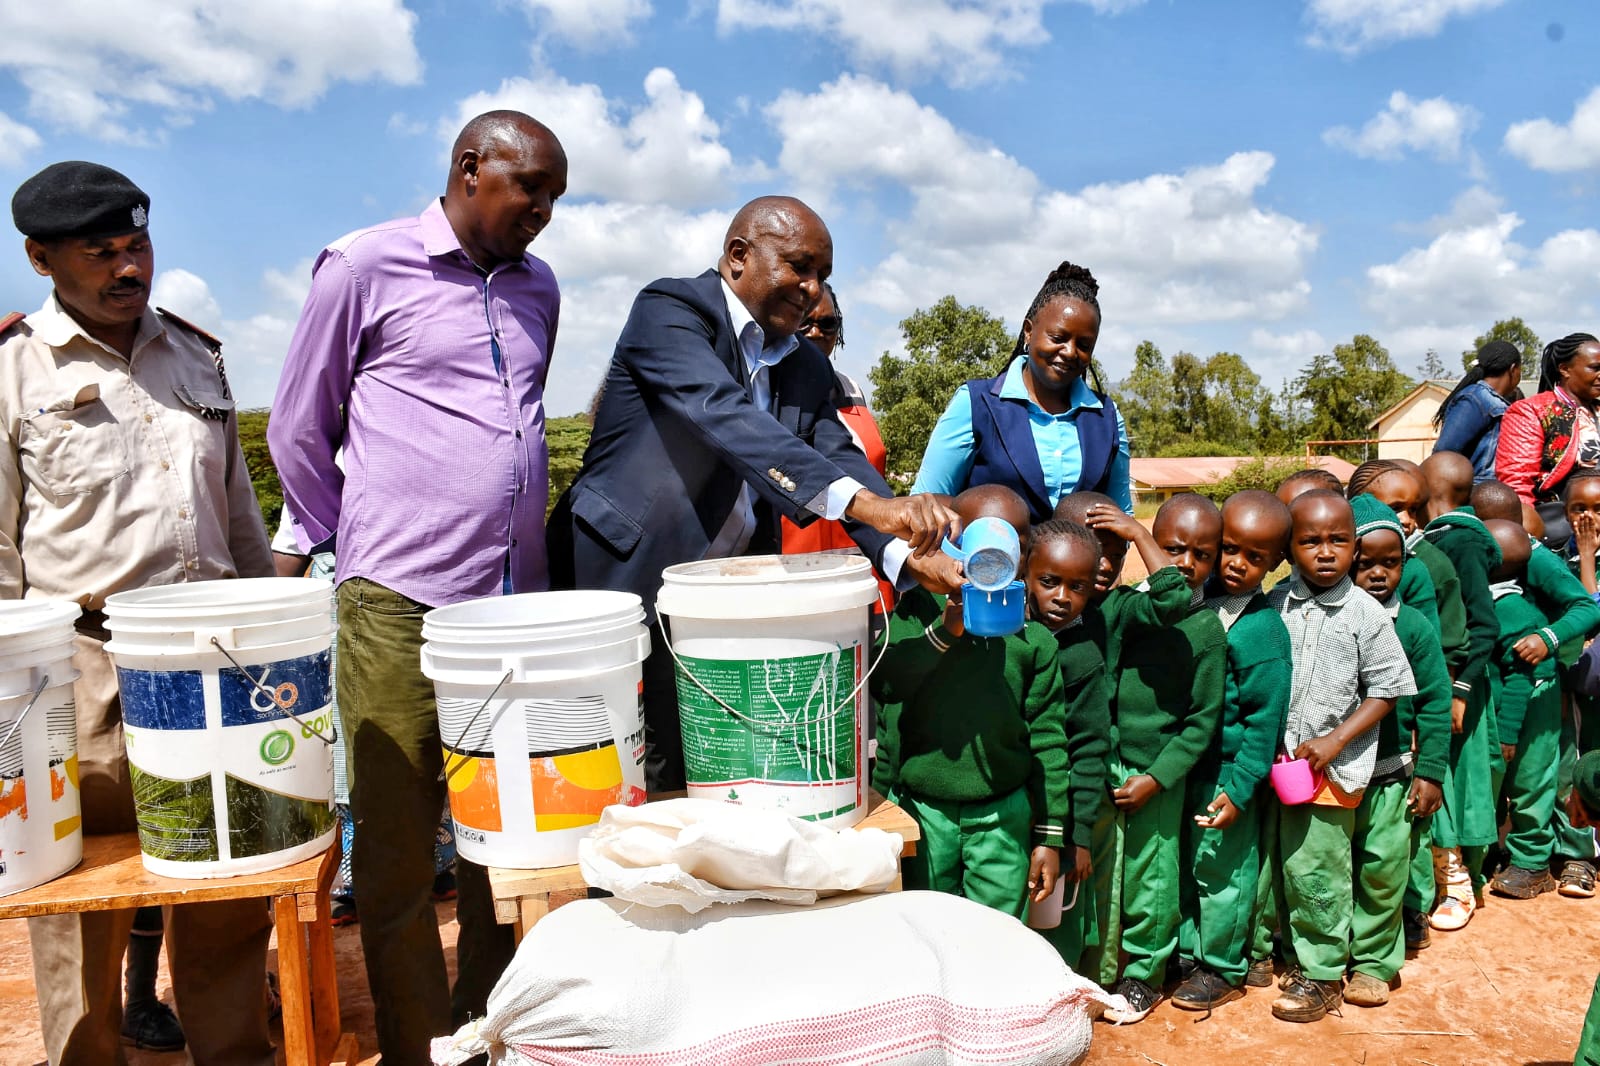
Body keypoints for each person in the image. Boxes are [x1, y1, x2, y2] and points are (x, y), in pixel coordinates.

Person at [269, 110, 567, 1064]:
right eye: (532, 190)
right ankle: (415, 1044)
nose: (544, 214)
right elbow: (296, 432)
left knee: (497, 837)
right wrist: (354, 537)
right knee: (398, 851)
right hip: (396, 601)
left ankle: (484, 1031)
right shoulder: (362, 267)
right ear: (471, 168)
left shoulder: (540, 287)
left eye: (557, 197)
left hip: (505, 612)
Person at [2, 161, 275, 1065]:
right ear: (42, 259)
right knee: (80, 909)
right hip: (79, 674)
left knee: (229, 889)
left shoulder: (195, 356)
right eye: (101, 253)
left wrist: (263, 647)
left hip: (211, 665)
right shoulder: (13, 371)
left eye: (138, 245)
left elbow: (238, 520)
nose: (129, 270)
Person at [547, 195, 960, 794]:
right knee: (628, 778)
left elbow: (837, 457)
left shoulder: (804, 367)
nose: (813, 290)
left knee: (714, 773)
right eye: (800, 267)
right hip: (625, 581)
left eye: (823, 277)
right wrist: (871, 506)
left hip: (722, 603)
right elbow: (725, 416)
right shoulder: (670, 312)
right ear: (739, 256)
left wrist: (905, 553)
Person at [870, 485, 1067, 918]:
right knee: (926, 926)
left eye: (1012, 544)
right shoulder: (917, 613)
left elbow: (1049, 743)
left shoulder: (1032, 642)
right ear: (949, 541)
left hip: (1002, 816)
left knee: (997, 934)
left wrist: (1049, 837)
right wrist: (945, 630)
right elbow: (886, 688)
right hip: (925, 810)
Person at [1266, 491, 1414, 1023]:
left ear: (1355, 547)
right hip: (1286, 767)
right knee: (1301, 865)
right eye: (1310, 542)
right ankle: (1306, 959)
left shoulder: (1365, 613)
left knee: (1332, 870)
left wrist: (1334, 740)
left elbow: (1387, 690)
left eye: (1338, 541)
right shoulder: (1277, 603)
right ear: (1288, 549)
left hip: (1338, 766)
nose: (1325, 552)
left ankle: (1328, 975)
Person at [1094, 493, 1227, 1024]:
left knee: (1151, 876)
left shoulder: (1206, 632)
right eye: (1171, 548)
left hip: (1157, 776)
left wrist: (1158, 777)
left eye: (1201, 555)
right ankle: (1102, 966)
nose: (1185, 565)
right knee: (1107, 873)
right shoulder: (1124, 607)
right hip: (1107, 765)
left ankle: (1144, 975)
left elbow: (1201, 723)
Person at [1173, 491, 1292, 1013]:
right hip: (1187, 765)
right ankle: (1187, 952)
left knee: (1222, 870)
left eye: (1256, 557)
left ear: (1276, 563)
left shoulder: (1261, 628)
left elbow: (1265, 720)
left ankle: (1221, 966)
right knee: (1186, 864)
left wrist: (1240, 787)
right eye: (1229, 549)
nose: (1237, 564)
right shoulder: (1202, 602)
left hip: (1228, 772)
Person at [912, 262, 1133, 522]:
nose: (1071, 352)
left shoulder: (1106, 418)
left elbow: (1122, 515)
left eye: (1084, 344)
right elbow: (925, 503)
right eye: (1058, 338)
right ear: (1029, 331)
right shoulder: (976, 404)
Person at [1344, 495, 1450, 1008]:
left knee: (1383, 870)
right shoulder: (1331, 619)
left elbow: (1435, 703)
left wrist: (1429, 771)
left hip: (1390, 775)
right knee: (1330, 866)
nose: (1378, 573)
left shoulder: (1413, 627)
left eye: (1391, 562)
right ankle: (1327, 951)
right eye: (1365, 563)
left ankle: (1373, 963)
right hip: (1334, 775)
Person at [1022, 518, 1113, 966]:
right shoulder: (1002, 636)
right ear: (1023, 572)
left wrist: (1077, 837)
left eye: (1077, 587)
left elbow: (1090, 749)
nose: (1062, 597)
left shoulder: (1083, 656)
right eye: (1049, 582)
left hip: (1062, 814)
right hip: (1012, 805)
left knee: (1055, 910)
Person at [1417, 452, 1501, 933]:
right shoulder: (1438, 539)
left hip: (1459, 685)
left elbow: (1483, 626)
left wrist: (1461, 689)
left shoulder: (1461, 543)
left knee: (1452, 785)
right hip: (1445, 681)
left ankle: (1458, 884)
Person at [780, 283, 894, 609]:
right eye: (805, 321)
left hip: (865, 581)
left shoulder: (852, 389)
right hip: (796, 584)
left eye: (828, 323)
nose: (816, 332)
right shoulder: (766, 393)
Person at [1482, 520, 1566, 901]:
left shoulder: (1513, 610)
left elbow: (1520, 676)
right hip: (1508, 703)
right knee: (1500, 781)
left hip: (1535, 694)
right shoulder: (1483, 599)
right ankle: (1497, 852)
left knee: (1531, 781)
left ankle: (1533, 863)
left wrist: (1508, 732)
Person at [1497, 332, 1600, 547]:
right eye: (1595, 368)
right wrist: (1529, 537)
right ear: (1565, 369)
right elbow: (1517, 483)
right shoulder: (1531, 411)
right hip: (1562, 524)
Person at [1434, 341, 1523, 482]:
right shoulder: (1474, 399)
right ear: (1513, 369)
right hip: (1476, 493)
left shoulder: (1494, 402)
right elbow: (1445, 454)